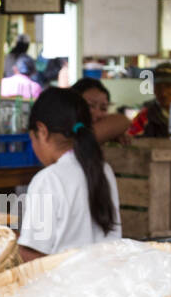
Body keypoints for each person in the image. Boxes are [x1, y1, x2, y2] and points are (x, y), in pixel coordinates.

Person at [18, 87, 121, 261]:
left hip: (61, 284)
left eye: (32, 139)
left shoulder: (48, 179)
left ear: (42, 131)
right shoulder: (103, 169)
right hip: (104, 281)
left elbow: (33, 254)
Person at [127, 61, 171, 138]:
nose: (164, 93)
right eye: (159, 87)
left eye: (169, 86)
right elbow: (130, 140)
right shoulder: (144, 117)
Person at [71, 76, 130, 145]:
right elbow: (122, 121)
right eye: (90, 105)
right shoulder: (70, 129)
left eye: (103, 108)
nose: (98, 114)